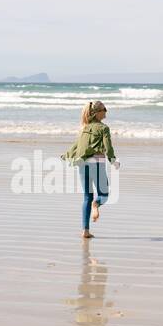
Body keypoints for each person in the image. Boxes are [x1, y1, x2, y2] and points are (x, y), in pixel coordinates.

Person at [62, 100, 119, 239]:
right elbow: (108, 147)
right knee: (104, 195)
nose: (106, 111)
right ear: (98, 112)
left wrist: (67, 155)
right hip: (97, 162)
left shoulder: (84, 128)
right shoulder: (104, 128)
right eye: (104, 108)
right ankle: (96, 204)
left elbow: (76, 145)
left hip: (82, 164)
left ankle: (85, 231)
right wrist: (113, 160)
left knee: (87, 196)